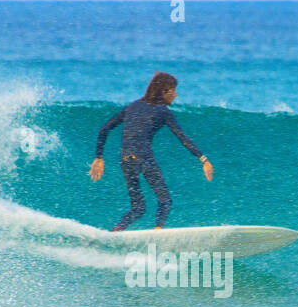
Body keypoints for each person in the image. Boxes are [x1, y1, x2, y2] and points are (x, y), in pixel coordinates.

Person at [89, 72, 213, 230]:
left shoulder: (132, 106)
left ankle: (116, 231)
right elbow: (182, 137)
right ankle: (158, 230)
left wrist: (99, 157)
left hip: (126, 160)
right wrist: (204, 160)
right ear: (164, 91)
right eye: (174, 90)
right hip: (143, 158)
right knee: (165, 200)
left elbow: (104, 128)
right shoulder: (163, 111)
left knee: (138, 208)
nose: (176, 95)